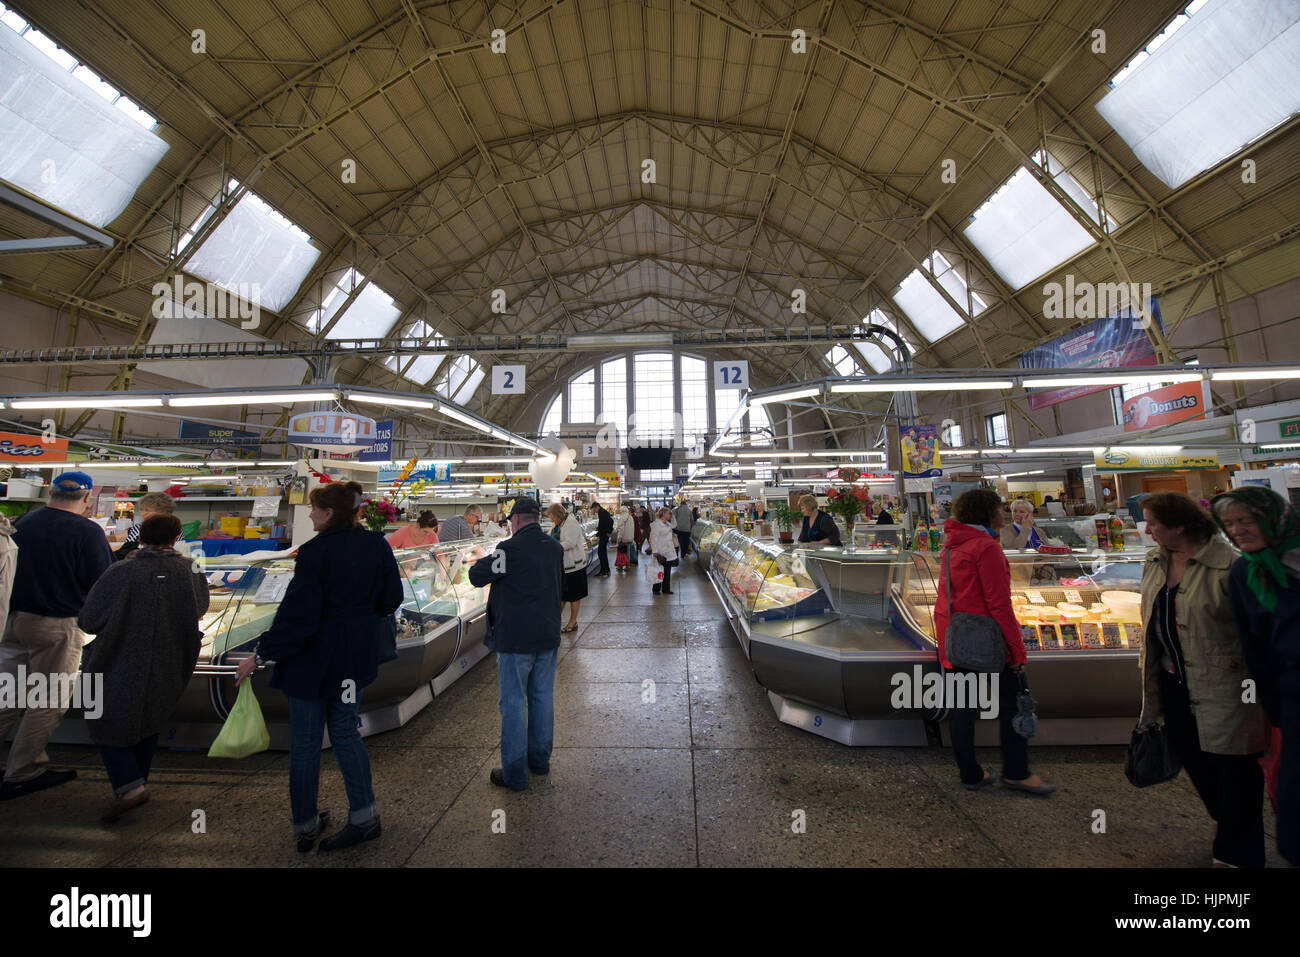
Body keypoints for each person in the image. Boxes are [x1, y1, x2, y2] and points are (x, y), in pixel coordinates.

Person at [234, 480, 402, 852]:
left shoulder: (313, 553)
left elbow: (299, 616)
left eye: (314, 509)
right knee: (345, 732)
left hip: (311, 663)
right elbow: (392, 598)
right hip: (353, 661)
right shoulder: (377, 545)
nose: (310, 515)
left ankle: (305, 824)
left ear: (329, 513)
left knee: (307, 742)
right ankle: (364, 816)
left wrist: (260, 655)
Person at [1139, 491, 1267, 868]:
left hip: (1224, 687)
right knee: (1196, 762)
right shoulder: (1156, 561)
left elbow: (1254, 635)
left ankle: (1237, 855)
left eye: (1154, 523)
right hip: (1173, 684)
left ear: (1180, 525)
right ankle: (1225, 824)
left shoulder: (1231, 568)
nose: (1147, 530)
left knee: (1235, 772)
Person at [77, 515, 209, 823]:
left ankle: (131, 788)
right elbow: (199, 609)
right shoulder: (190, 569)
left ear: (140, 537)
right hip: (172, 658)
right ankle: (135, 783)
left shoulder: (121, 570)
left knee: (104, 717)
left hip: (118, 657)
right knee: (150, 718)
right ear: (176, 538)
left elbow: (89, 619)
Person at [0, 471, 112, 801]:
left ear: (50, 492)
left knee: (6, 696)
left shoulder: (23, 523)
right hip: (56, 625)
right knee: (47, 700)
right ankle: (23, 771)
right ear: (87, 498)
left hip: (10, 622)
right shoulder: (87, 532)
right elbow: (104, 584)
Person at [935, 489, 1055, 796]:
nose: (1004, 514)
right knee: (1014, 705)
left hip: (959, 639)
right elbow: (998, 604)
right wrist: (1016, 650)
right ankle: (1016, 771)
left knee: (962, 709)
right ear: (987, 513)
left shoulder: (951, 544)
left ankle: (971, 774)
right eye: (1000, 509)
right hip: (990, 640)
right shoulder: (985, 547)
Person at [1211, 487, 1298, 866]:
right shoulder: (1246, 571)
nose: (1237, 531)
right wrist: (1276, 708)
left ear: (1272, 517)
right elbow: (1255, 647)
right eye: (1228, 525)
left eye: (1245, 521)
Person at [469, 498, 564, 790]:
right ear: (536, 518)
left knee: (512, 703)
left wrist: (481, 556)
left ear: (516, 520)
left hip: (516, 639)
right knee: (541, 698)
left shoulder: (508, 549)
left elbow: (476, 576)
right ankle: (539, 761)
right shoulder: (554, 548)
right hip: (547, 635)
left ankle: (514, 774)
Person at [548, 504, 587, 633]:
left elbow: (570, 543)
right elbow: (549, 537)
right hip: (561, 566)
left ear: (557, 515)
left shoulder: (571, 523)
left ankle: (573, 622)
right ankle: (554, 622)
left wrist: (553, 547)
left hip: (574, 566)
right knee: (562, 595)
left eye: (552, 517)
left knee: (574, 595)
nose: (551, 520)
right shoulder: (558, 524)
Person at [111, 491, 181, 557]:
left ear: (163, 511)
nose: (142, 514)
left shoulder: (171, 528)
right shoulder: (138, 527)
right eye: (141, 510)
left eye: (147, 510)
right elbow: (116, 538)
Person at [648, 507, 680, 596]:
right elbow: (653, 538)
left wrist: (673, 517)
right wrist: (655, 551)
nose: (669, 515)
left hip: (668, 551)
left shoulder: (667, 523)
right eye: (668, 513)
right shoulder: (656, 525)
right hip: (660, 551)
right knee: (659, 570)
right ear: (663, 514)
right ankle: (656, 589)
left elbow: (674, 525)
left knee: (667, 570)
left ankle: (666, 589)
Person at [614, 505, 637, 574]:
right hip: (630, 538)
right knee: (628, 552)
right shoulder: (630, 517)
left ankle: (620, 566)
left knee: (621, 551)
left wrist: (619, 537)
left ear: (622, 511)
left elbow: (621, 529)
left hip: (624, 538)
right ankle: (627, 566)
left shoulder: (622, 518)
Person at [594, 502, 613, 577]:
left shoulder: (602, 512)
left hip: (604, 535)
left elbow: (610, 521)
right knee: (602, 553)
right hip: (604, 534)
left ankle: (604, 571)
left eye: (594, 509)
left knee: (601, 553)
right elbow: (605, 523)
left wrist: (609, 531)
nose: (594, 511)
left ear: (597, 507)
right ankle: (605, 570)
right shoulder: (602, 512)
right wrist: (599, 529)